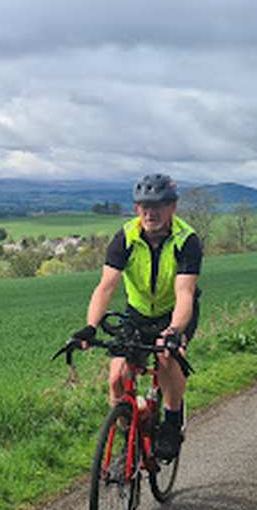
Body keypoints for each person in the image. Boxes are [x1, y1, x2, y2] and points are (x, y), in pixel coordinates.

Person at [71, 173, 202, 460]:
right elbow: (106, 286)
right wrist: (90, 327)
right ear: (136, 208)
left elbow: (185, 292)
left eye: (158, 205)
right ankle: (126, 441)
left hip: (174, 313)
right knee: (117, 377)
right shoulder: (125, 237)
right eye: (144, 205)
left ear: (173, 207)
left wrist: (174, 331)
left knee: (168, 358)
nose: (150, 212)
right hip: (138, 314)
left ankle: (170, 421)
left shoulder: (186, 240)